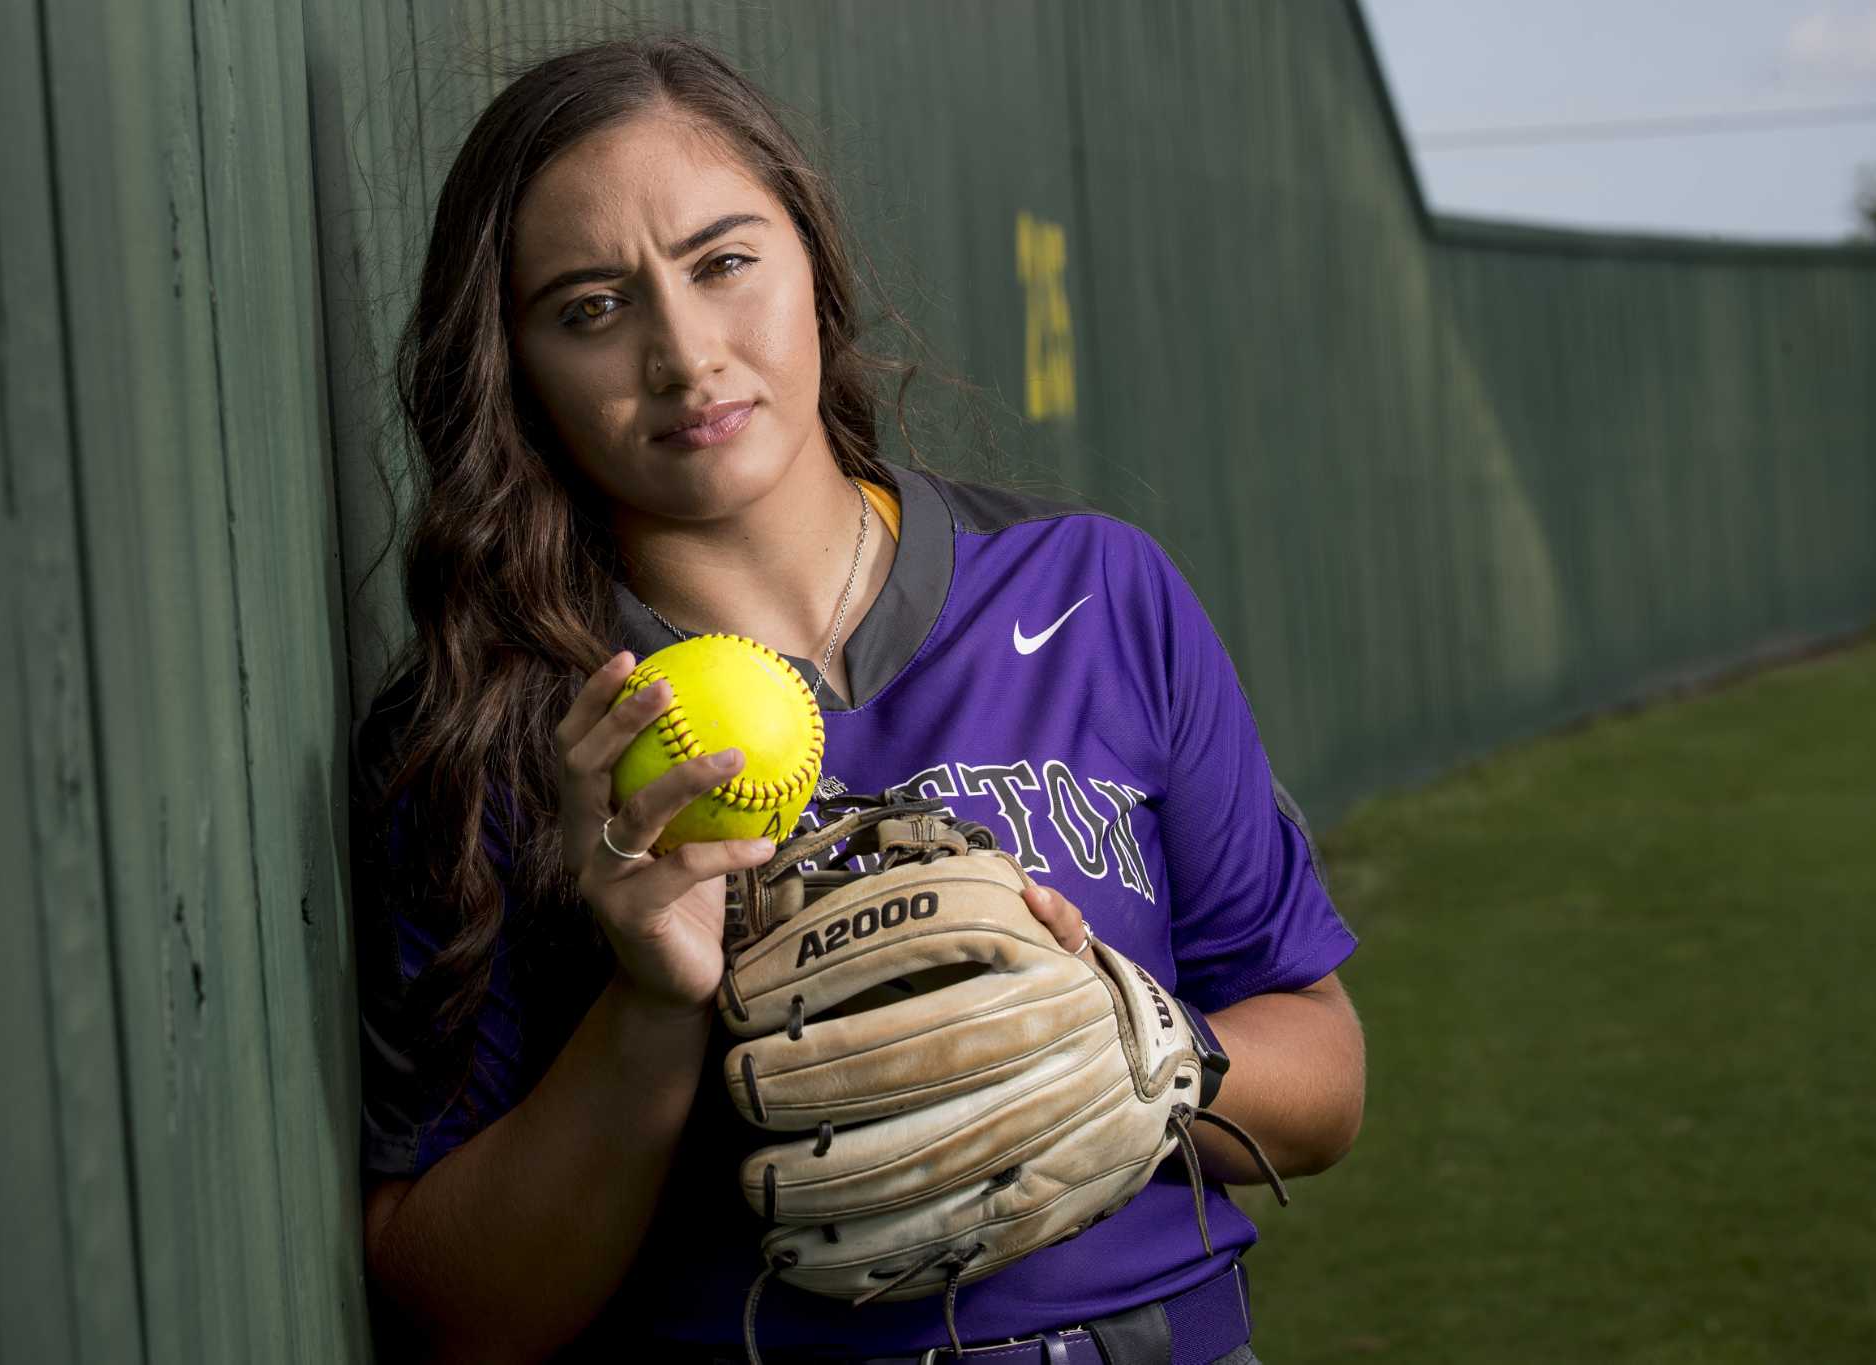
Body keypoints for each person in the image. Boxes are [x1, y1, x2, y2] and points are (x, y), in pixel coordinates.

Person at [352, 32, 1366, 1365]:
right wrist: (651, 1010)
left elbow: (1325, 1077)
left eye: (724, 263)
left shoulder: (1097, 592)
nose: (682, 353)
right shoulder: (492, 736)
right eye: (591, 307)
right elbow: (455, 1314)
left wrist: (1125, 1037)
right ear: (517, 364)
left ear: (812, 263)